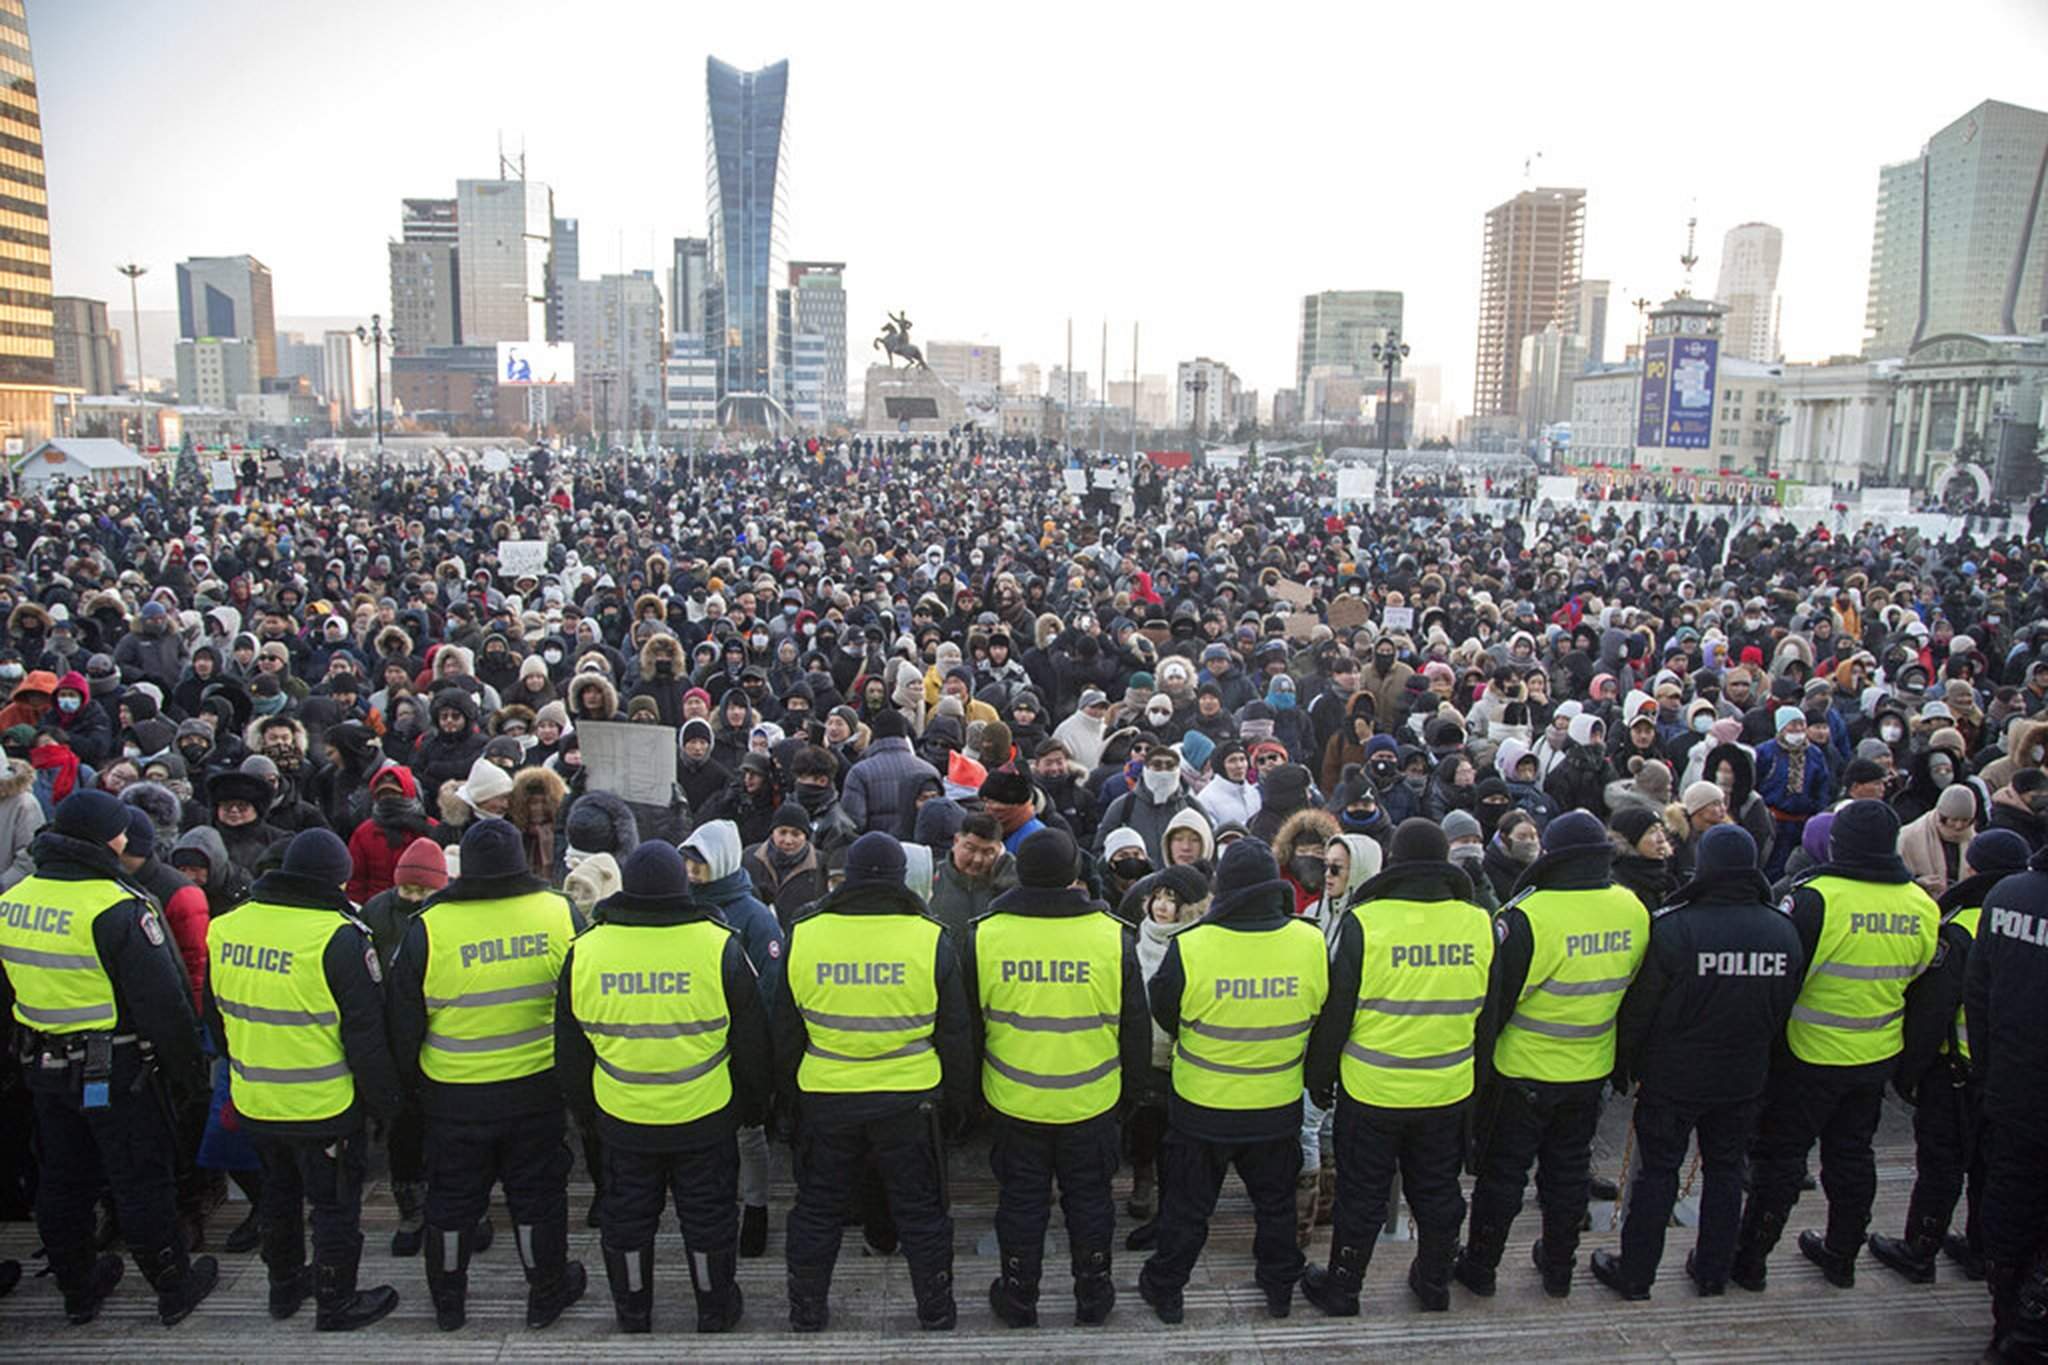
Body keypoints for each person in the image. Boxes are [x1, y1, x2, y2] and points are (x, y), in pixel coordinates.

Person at [0, 789, 214, 1325]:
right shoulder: (118, 906)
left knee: (63, 1178)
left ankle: (77, 1286)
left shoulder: (14, 899)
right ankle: (172, 1283)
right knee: (140, 1178)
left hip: (41, 1065)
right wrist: (191, 1078)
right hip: (115, 1068)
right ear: (111, 838)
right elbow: (164, 1006)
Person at [554, 841, 771, 1333]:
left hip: (623, 1116)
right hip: (705, 1113)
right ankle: (715, 1308)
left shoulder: (586, 949)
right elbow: (752, 1040)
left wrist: (587, 1115)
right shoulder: (719, 944)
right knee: (709, 1218)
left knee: (627, 1221)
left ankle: (633, 1312)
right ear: (683, 884)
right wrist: (753, 1106)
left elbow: (570, 1049)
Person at [385, 817, 587, 1331]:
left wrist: (409, 1091)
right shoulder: (557, 912)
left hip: (454, 1093)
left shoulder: (429, 926)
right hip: (536, 1086)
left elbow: (403, 1020)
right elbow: (588, 998)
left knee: (451, 1202)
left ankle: (448, 1303)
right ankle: (546, 1292)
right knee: (537, 1198)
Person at [1733, 799, 1941, 1291]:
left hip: (1807, 1054)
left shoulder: (1814, 898)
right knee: (1852, 1157)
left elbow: (1783, 975)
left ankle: (1751, 1259)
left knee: (1780, 1161)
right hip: (1875, 1052)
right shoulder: (1920, 905)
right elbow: (1918, 979)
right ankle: (1842, 1254)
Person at [770, 831, 972, 1332]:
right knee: (921, 1211)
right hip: (908, 1099)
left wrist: (786, 1101)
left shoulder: (807, 932)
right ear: (902, 879)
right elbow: (956, 1033)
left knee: (817, 1209)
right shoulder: (930, 937)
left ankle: (807, 1309)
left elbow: (785, 1028)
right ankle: (936, 1308)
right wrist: (960, 1106)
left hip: (826, 1093)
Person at [204, 828, 403, 1329]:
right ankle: (336, 1302)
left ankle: (284, 1288)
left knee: (278, 1197)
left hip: (255, 1098)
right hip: (323, 1105)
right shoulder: (338, 936)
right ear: (338, 881)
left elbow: (215, 1016)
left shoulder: (229, 926)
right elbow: (366, 1035)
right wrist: (388, 1107)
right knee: (334, 1207)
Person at [1595, 824, 1803, 1299]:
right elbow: (1783, 1007)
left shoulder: (1675, 927)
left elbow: (1641, 1010)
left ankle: (1636, 1273)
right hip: (1743, 1075)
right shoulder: (1781, 929)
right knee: (1726, 1170)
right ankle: (1713, 1271)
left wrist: (1625, 1066)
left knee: (1658, 1172)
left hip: (1674, 1076)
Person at [1300, 818, 1492, 1315]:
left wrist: (1319, 1080)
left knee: (1361, 1195)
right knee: (1438, 1192)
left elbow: (1337, 1010)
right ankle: (1434, 1283)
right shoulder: (1477, 921)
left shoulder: (1367, 922)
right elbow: (1488, 1016)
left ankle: (1343, 1287)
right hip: (1447, 1089)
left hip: (1373, 1089)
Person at [1457, 809, 1649, 1298]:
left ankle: (1480, 1267)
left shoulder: (1526, 916)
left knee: (1503, 1176)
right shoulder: (1631, 908)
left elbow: (1495, 1005)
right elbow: (1636, 994)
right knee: (1568, 1174)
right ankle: (1559, 1267)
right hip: (1590, 1067)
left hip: (1521, 1071)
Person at [1138, 837, 1331, 1323]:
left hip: (1203, 1106)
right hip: (1276, 1102)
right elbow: (1323, 1012)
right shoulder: (1308, 940)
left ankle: (1167, 1289)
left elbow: (1165, 1010)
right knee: (1275, 1207)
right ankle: (1280, 1286)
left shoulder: (1192, 945)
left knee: (1187, 1208)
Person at [965, 829, 1149, 1328]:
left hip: (1014, 1099)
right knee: (1091, 1203)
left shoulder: (986, 934)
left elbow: (968, 1027)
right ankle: (1094, 1294)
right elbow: (1135, 1027)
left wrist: (970, 1099)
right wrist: (1130, 1097)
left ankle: (1020, 1295)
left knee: (1021, 1203)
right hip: (1091, 1099)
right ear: (1074, 876)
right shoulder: (1113, 936)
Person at [1869, 828, 2028, 1285]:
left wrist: (1907, 1075)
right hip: (2009, 1070)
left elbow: (1932, 1012)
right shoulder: (2024, 920)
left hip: (1954, 1069)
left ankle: (1920, 1248)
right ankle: (1981, 1247)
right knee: (1988, 1166)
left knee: (1940, 1166)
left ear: (1973, 868)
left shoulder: (1959, 928)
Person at [679, 818, 783, 1258]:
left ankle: (756, 1208)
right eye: (686, 861)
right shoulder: (683, 905)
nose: (690, 871)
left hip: (742, 1043)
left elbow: (772, 985)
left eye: (699, 863)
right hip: (699, 1041)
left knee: (748, 1132)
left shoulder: (755, 917)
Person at [1964, 832, 2048, 1361]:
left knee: (2010, 1204)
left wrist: (1989, 1075)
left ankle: (2006, 1321)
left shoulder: (2007, 896)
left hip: (2011, 1089)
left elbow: (1979, 992)